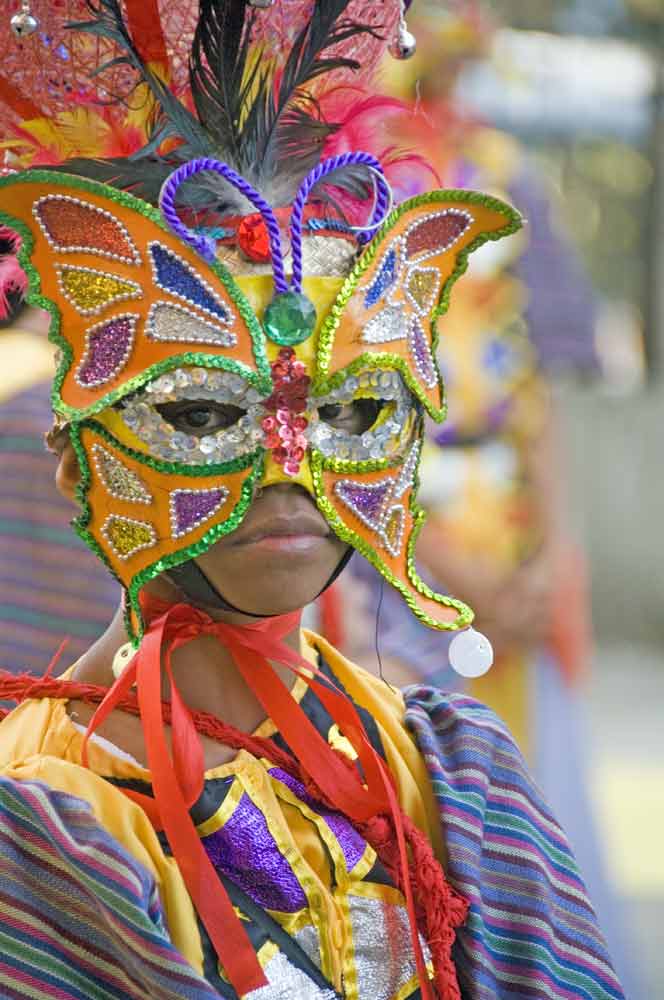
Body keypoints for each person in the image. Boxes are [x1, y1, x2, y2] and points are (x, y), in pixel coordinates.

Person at [0, 2, 624, 998]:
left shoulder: (452, 781)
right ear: (78, 462)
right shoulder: (49, 829)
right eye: (204, 413)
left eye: (350, 409)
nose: (287, 461)